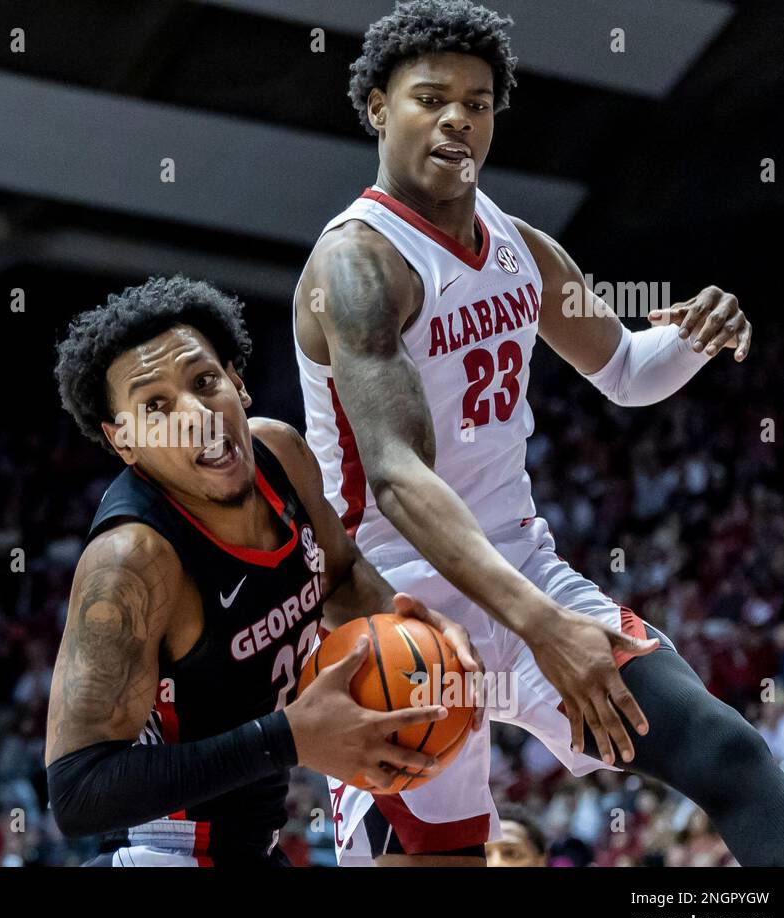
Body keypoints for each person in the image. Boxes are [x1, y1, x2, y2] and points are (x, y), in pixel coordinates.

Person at [292, 0, 784, 865]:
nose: (458, 116)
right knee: (444, 856)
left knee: (727, 753)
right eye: (431, 97)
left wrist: (691, 336)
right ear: (379, 107)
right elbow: (394, 475)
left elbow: (623, 369)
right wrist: (541, 626)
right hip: (395, 598)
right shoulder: (358, 263)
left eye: (479, 100)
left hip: (522, 562)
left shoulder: (518, 246)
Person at [47, 275, 478, 866]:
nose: (195, 414)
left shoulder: (281, 456)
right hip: (160, 852)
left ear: (237, 382)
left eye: (204, 382)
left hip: (257, 848)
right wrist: (291, 738)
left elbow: (342, 577)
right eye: (156, 406)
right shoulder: (133, 564)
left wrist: (426, 643)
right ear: (124, 442)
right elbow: (76, 792)